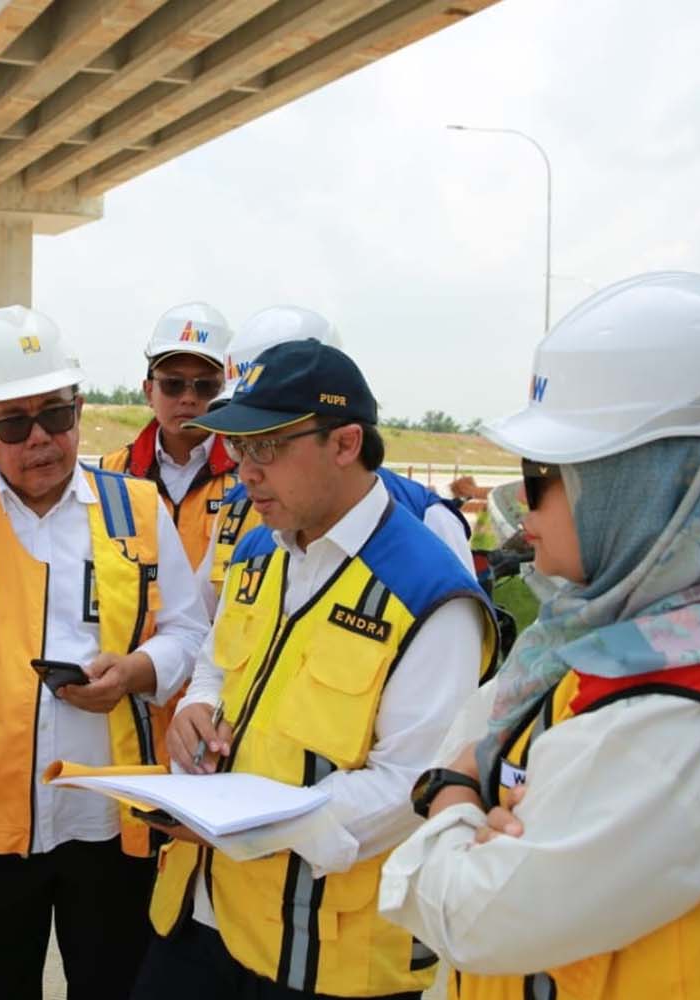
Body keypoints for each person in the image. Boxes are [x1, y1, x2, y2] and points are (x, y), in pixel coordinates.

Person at [378, 271, 700, 999]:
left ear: (644, 488)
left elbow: (471, 916)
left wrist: (453, 795)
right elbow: (473, 740)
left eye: (543, 472)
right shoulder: (630, 632)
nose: (522, 503)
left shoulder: (689, 712)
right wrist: (472, 794)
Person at [134, 338, 495, 1000]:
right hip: (199, 912)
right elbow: (216, 666)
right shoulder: (257, 551)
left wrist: (246, 822)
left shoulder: (429, 593)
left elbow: (410, 784)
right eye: (239, 448)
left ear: (346, 443)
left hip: (323, 951)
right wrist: (194, 708)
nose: (245, 472)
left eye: (268, 447)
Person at [0, 304, 209, 1000]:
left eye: (57, 416)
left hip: (112, 823)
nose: (40, 439)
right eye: (13, 423)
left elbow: (190, 634)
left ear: (80, 409)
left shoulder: (138, 509)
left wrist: (138, 671)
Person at [197, 307, 474, 615]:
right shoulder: (236, 512)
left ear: (344, 442)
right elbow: (204, 626)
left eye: (266, 441)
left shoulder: (426, 517)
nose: (247, 471)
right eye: (238, 441)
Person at [101, 303, 237, 571]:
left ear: (225, 392)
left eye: (205, 386)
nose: (188, 398)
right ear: (148, 391)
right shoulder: (112, 475)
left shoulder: (249, 476)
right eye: (173, 384)